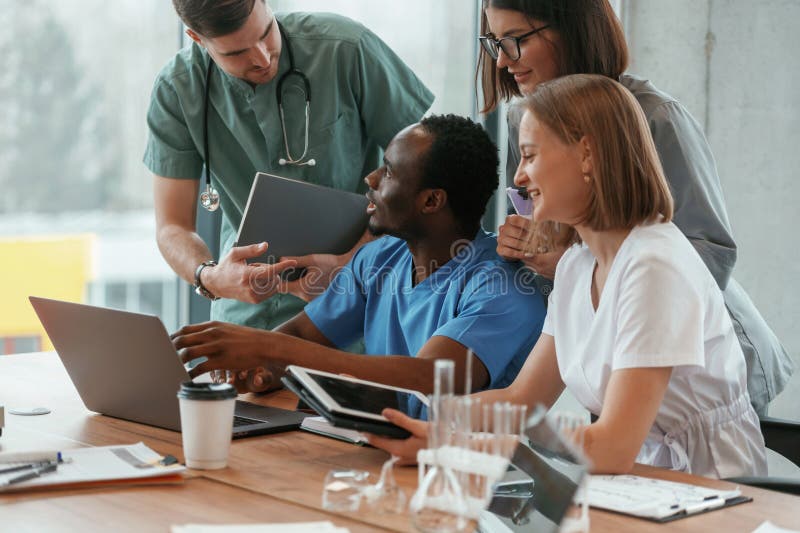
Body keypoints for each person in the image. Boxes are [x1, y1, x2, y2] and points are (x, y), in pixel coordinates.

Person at [369, 75, 767, 479]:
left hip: (710, 487)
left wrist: (452, 443)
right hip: (639, 482)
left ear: (587, 154)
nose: (519, 177)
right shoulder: (578, 265)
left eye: (529, 156)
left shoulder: (654, 265)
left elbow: (611, 446)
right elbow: (522, 399)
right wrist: (404, 415)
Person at [479, 0, 792, 414]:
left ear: (571, 29)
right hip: (612, 351)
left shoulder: (654, 116)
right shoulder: (525, 119)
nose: (502, 61)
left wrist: (581, 265)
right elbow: (556, 241)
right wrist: (527, 249)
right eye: (495, 42)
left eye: (516, 40)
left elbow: (709, 253)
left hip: (701, 366)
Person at [171, 114, 546, 418]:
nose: (371, 179)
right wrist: (256, 366)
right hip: (381, 453)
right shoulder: (380, 258)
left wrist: (270, 348)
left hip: (461, 474)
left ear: (431, 201)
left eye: (388, 171)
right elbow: (301, 337)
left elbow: (430, 377)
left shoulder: (503, 284)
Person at [145, 0, 434, 331]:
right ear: (197, 38)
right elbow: (173, 227)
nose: (262, 58)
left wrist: (354, 261)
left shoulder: (346, 49)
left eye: (266, 33)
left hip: (362, 303)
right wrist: (209, 276)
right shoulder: (177, 89)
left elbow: (428, 172)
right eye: (236, 53)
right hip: (247, 320)